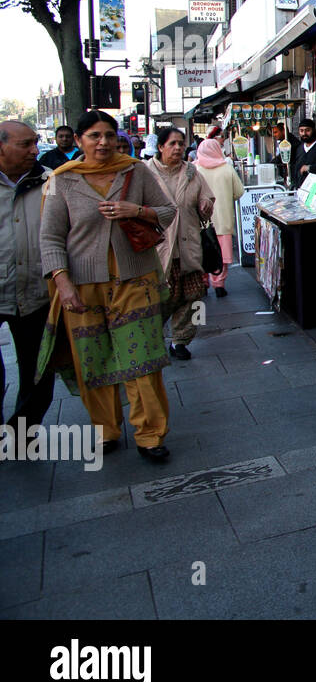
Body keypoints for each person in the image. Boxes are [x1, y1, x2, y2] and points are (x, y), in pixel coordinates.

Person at [37, 110, 177, 462]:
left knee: (142, 360)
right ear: (79, 140)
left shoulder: (135, 170)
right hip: (83, 286)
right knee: (94, 360)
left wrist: (137, 210)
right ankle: (106, 429)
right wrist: (62, 283)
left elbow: (167, 211)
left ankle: (151, 435)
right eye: (94, 136)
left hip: (135, 279)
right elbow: (51, 238)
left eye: (109, 135)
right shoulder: (62, 180)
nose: (103, 142)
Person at [0, 121, 56, 433]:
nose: (35, 150)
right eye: (25, 144)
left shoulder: (50, 182)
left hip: (36, 291)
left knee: (38, 372)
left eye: (35, 143)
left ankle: (21, 434)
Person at [148, 128, 214, 359]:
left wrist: (206, 205)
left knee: (194, 299)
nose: (178, 148)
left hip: (189, 246)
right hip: (160, 249)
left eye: (181, 144)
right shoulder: (145, 173)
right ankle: (153, 338)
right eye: (172, 143)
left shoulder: (192, 172)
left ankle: (182, 340)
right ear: (160, 147)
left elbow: (207, 196)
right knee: (161, 300)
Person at [193, 138, 245, 297]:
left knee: (200, 252)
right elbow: (239, 192)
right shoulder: (227, 168)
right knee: (221, 253)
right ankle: (219, 284)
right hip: (223, 219)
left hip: (199, 221)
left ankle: (203, 283)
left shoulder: (194, 169)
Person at [292, 119, 316, 189]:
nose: (304, 134)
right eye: (301, 131)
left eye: (307, 130)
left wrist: (309, 168)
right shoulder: (299, 148)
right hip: (301, 188)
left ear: (313, 130)